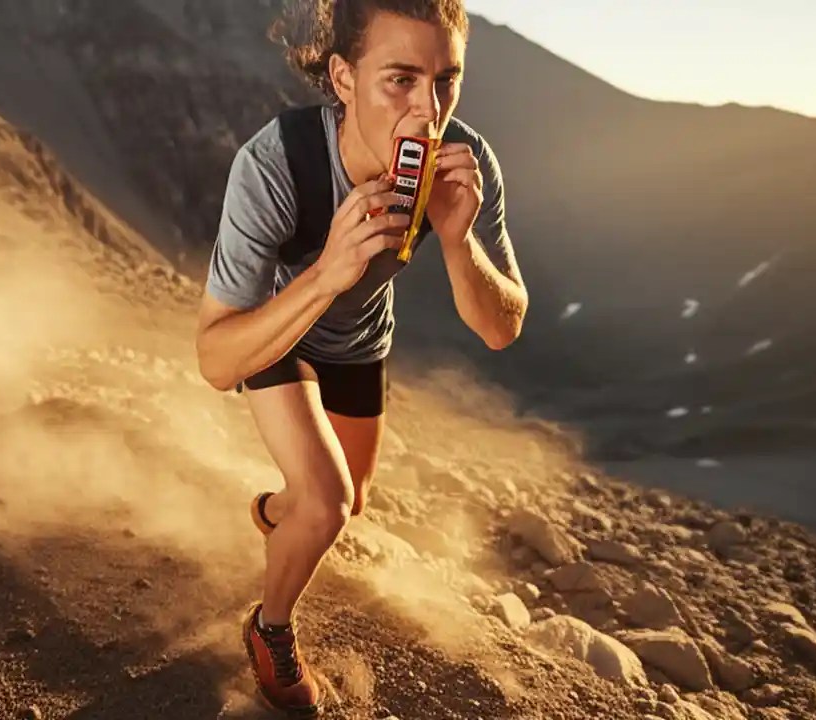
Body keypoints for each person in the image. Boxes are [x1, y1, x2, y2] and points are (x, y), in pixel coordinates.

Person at [194, 0, 528, 714]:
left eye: (446, 81)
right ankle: (269, 631)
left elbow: (501, 328)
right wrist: (325, 273)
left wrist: (458, 241)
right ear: (342, 78)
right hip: (276, 331)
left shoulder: (466, 162)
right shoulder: (274, 163)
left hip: (359, 342)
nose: (428, 110)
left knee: (349, 499)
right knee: (327, 501)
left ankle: (274, 512)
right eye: (400, 80)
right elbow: (218, 359)